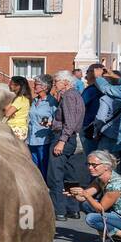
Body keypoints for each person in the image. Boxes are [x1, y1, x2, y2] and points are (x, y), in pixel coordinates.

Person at [48, 69, 87, 221]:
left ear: (65, 82)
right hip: (69, 137)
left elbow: (70, 123)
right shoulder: (75, 95)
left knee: (56, 176)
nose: (54, 84)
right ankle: (73, 208)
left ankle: (59, 211)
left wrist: (61, 141)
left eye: (56, 81)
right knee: (71, 174)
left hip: (63, 138)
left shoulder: (69, 96)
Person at [26, 75, 57, 179]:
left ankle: (45, 187)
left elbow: (57, 120)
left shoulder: (51, 102)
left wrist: (49, 123)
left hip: (44, 140)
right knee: (34, 167)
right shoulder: (34, 101)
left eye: (36, 85)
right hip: (31, 139)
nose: (33, 87)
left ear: (44, 87)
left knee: (44, 166)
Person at [3, 76, 31, 140]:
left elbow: (7, 113)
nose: (9, 85)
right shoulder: (19, 98)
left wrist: (8, 110)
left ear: (18, 86)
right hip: (18, 129)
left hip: (17, 129)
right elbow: (5, 109)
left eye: (11, 83)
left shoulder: (20, 99)